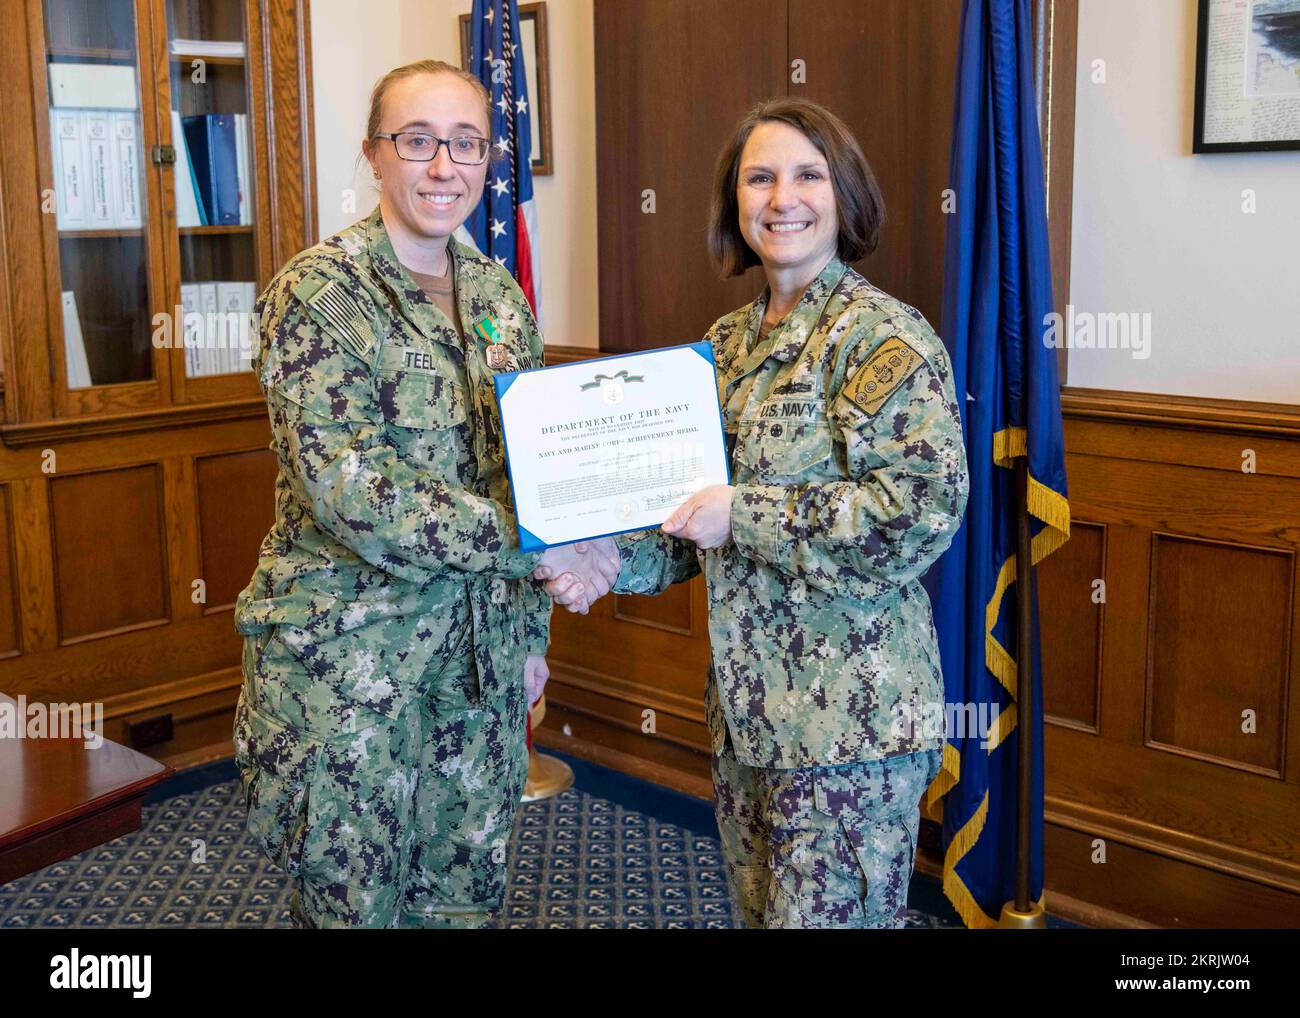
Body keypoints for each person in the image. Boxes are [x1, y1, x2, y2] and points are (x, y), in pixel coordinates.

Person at [540, 97, 969, 928]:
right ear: (734, 203)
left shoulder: (881, 339)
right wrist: (602, 560)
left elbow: (917, 515)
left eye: (809, 175)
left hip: (851, 729)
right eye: (760, 177)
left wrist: (748, 515)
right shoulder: (728, 344)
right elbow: (689, 521)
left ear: (844, 196)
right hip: (749, 720)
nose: (784, 198)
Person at [232, 59, 617, 928]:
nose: (444, 166)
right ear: (374, 153)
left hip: (476, 671)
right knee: (353, 912)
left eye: (466, 144)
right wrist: (529, 543)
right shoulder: (319, 293)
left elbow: (532, 475)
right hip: (349, 674)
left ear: (487, 161)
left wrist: (529, 637)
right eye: (418, 141)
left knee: (462, 905)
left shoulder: (498, 298)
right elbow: (351, 490)